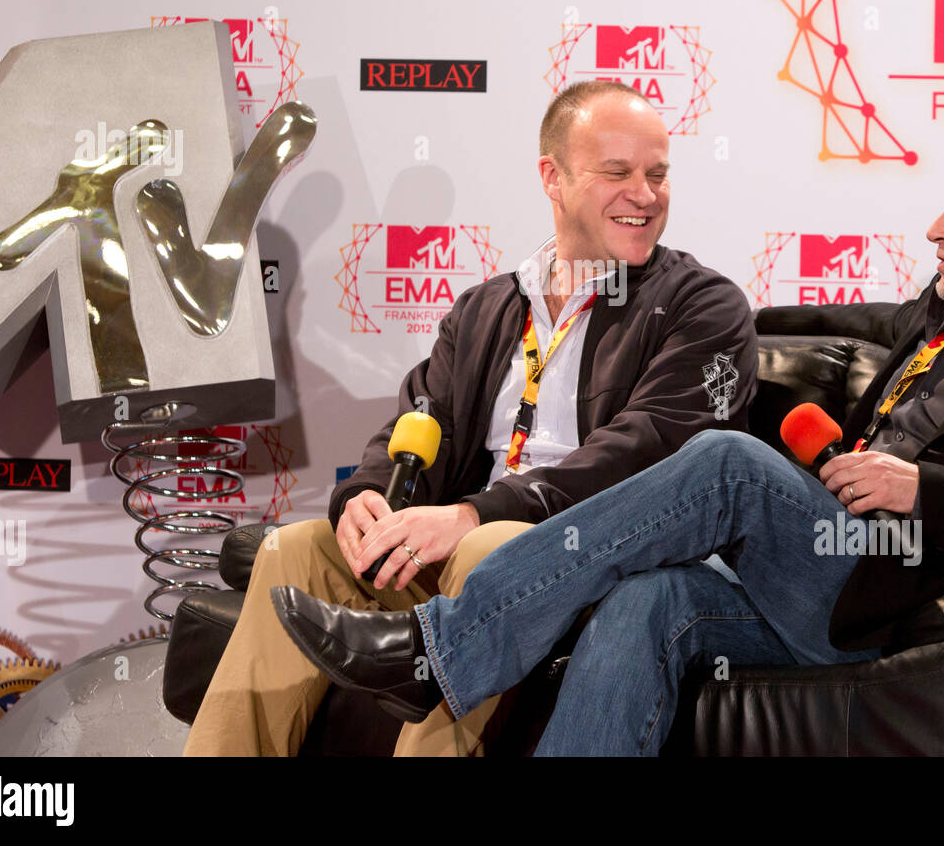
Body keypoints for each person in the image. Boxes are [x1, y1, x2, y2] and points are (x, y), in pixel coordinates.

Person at [272, 121, 944, 755]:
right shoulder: (937, 319)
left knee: (726, 462)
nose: (934, 229)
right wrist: (724, 319)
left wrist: (926, 494)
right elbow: (824, 317)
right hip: (822, 575)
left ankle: (437, 651)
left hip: (907, 590)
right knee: (650, 600)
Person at [182, 80, 758, 756]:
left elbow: (649, 456)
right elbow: (426, 415)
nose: (646, 194)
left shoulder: (703, 306)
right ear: (554, 176)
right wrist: (369, 492)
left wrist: (475, 515)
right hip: (470, 538)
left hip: (590, 559)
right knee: (298, 551)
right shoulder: (486, 308)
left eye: (657, 175)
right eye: (618, 173)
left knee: (489, 551)